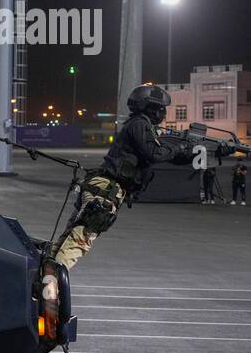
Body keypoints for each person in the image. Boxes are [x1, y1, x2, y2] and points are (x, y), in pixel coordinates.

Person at [48, 84, 194, 272]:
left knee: (71, 237)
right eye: (161, 109)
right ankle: (51, 281)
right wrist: (180, 147)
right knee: (81, 238)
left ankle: (47, 274)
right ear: (151, 108)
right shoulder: (140, 125)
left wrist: (194, 152)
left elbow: (164, 153)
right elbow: (155, 153)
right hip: (106, 189)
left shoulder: (141, 127)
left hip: (102, 186)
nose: (164, 113)